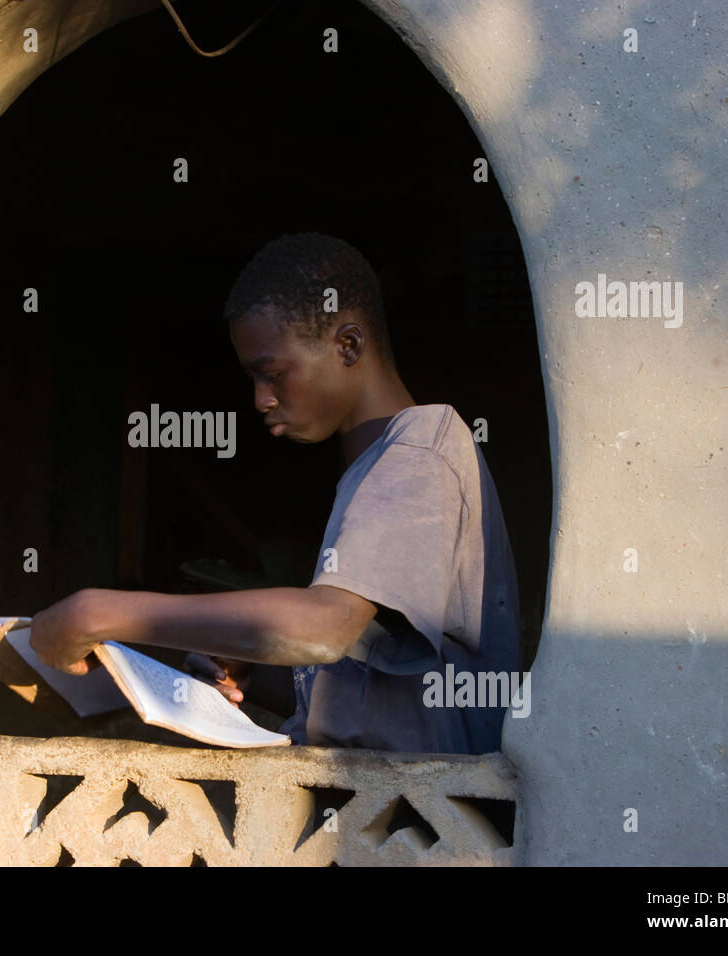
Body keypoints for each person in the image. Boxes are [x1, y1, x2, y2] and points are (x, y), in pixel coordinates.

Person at [31, 233, 522, 754]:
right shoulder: (379, 466)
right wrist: (254, 668)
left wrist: (96, 613)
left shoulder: (419, 451)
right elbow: (378, 678)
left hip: (430, 819)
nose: (262, 400)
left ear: (348, 344)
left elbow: (327, 627)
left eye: (272, 374)